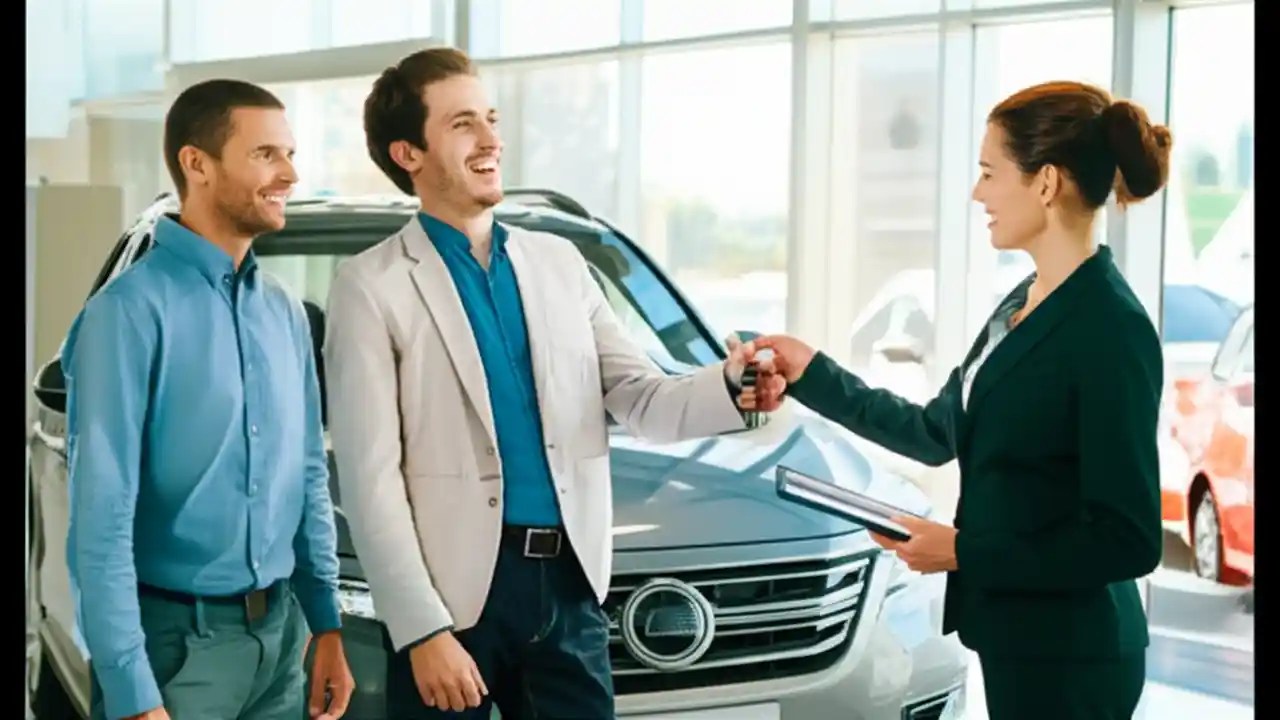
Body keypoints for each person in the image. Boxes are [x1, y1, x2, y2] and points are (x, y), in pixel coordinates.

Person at [324, 47, 777, 719]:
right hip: (453, 601)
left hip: (568, 589)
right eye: (461, 124)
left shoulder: (558, 264)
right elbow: (371, 479)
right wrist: (420, 629)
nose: (490, 139)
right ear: (408, 153)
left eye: (491, 118)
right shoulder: (372, 285)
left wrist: (733, 386)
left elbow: (641, 397)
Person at [753, 80, 1170, 719]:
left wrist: (961, 551)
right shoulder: (1022, 304)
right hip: (1018, 640)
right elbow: (933, 431)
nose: (978, 193)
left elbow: (1129, 538)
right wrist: (813, 372)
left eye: (989, 172)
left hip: (1077, 657)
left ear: (1047, 182)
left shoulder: (1110, 328)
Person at [63, 79, 354, 720]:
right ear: (197, 164)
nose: (289, 174)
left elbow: (306, 474)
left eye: (291, 153)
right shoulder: (127, 313)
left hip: (283, 642)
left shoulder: (283, 311)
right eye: (266, 155)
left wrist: (326, 622)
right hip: (176, 652)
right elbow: (101, 520)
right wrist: (133, 694)